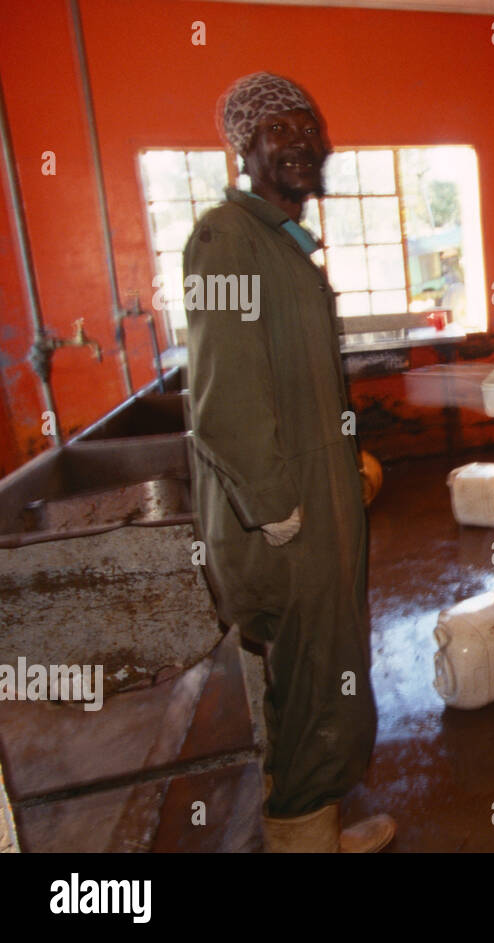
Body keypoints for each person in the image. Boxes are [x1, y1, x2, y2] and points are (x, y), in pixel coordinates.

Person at [185, 72, 393, 853]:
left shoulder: (281, 244)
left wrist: (343, 462)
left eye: (312, 127)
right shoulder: (227, 239)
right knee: (312, 686)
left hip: (317, 507)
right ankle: (304, 836)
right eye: (280, 127)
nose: (304, 141)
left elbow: (291, 384)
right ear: (243, 145)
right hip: (286, 523)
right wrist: (278, 507)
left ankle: (313, 828)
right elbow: (224, 399)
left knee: (321, 675)